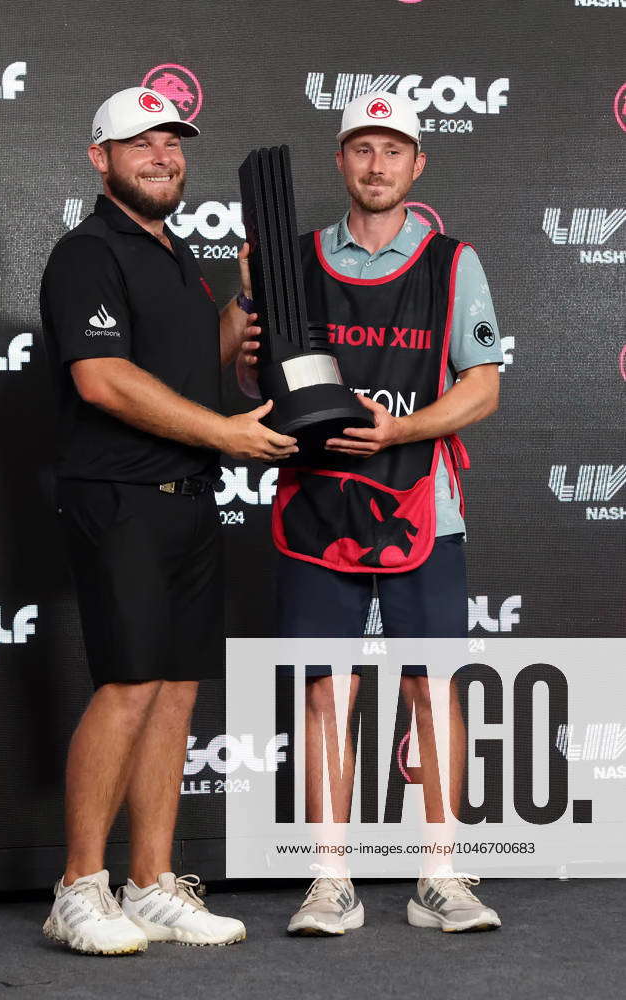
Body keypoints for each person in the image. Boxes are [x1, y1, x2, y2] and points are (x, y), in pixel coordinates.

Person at [237, 91, 503, 934]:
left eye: (393, 150)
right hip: (317, 503)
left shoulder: (453, 262)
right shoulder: (289, 258)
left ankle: (441, 877)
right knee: (326, 694)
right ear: (341, 161)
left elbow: (483, 385)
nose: (377, 164)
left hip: (423, 499)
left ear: (417, 164)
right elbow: (251, 383)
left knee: (433, 690)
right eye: (362, 148)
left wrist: (404, 427)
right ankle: (330, 879)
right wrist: (241, 324)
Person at [40, 86, 297, 955]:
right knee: (130, 685)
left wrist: (239, 305)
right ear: (99, 158)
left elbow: (189, 363)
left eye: (172, 142)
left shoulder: (174, 254)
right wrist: (226, 430)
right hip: (120, 497)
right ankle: (79, 886)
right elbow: (102, 379)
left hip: (188, 497)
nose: (161, 156)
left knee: (178, 689)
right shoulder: (86, 253)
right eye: (140, 143)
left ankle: (150, 882)